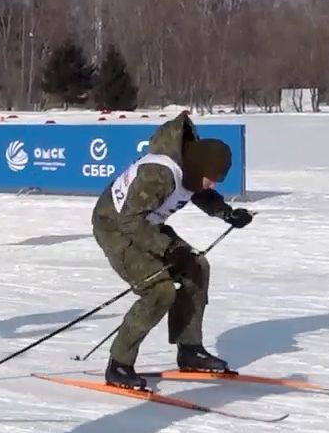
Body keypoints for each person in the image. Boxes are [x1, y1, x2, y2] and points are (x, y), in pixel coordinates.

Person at [91, 112, 253, 391]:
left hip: (146, 224)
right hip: (115, 228)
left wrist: (226, 213)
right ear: (198, 168)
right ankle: (119, 364)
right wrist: (168, 249)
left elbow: (197, 191)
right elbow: (129, 221)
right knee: (158, 291)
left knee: (197, 267)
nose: (213, 184)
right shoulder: (159, 175)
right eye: (211, 178)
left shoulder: (189, 167)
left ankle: (189, 349)